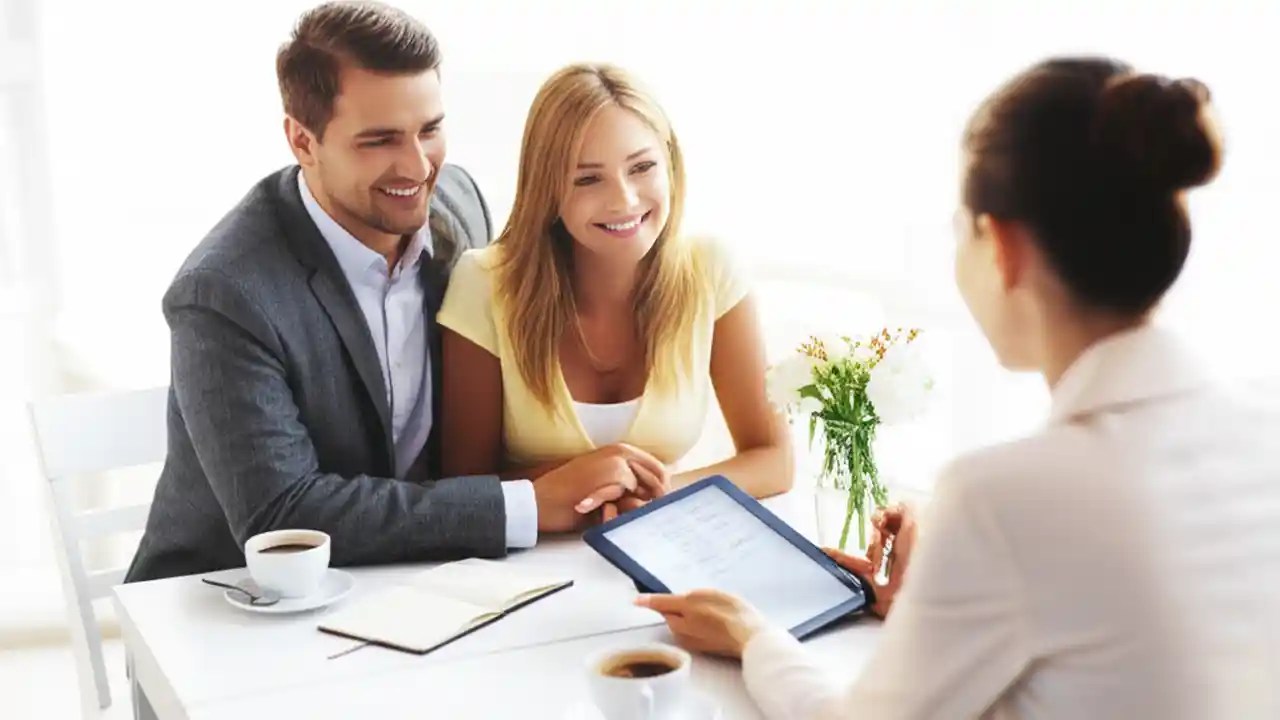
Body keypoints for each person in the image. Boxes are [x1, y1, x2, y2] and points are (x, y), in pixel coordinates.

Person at [638, 57, 1280, 719]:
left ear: (1001, 245)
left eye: (958, 227)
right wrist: (936, 607)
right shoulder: (1266, 423)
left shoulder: (1003, 498)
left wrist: (753, 634)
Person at [126, 2, 659, 584]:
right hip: (230, 606)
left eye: (429, 130)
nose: (417, 166)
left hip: (417, 583)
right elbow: (281, 518)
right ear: (302, 141)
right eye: (379, 141)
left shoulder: (459, 205)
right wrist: (528, 504)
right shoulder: (224, 293)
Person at [437, 63, 793, 519]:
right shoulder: (483, 284)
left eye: (642, 167)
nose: (624, 200)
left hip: (664, 544)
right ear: (546, 188)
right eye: (587, 178)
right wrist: (580, 481)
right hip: (526, 564)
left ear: (670, 164)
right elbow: (459, 488)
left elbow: (774, 459)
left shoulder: (710, 270)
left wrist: (658, 495)